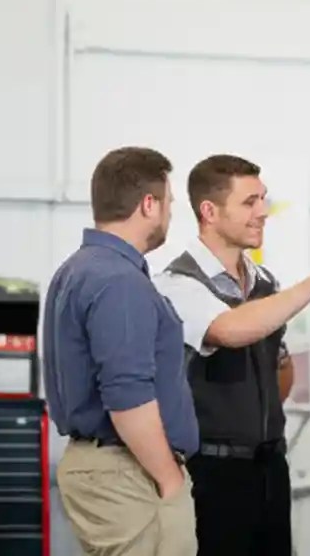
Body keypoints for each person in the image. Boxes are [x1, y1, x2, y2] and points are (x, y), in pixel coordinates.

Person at [152, 153, 310, 556]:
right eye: (249, 202)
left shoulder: (264, 283)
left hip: (269, 469)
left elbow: (279, 367)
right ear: (209, 211)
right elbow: (228, 329)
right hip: (211, 474)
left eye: (263, 199)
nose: (263, 212)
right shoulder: (176, 284)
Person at [42, 146, 199, 556]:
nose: (169, 214)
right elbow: (127, 394)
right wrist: (170, 479)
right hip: (129, 470)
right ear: (149, 204)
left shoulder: (78, 269)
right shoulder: (119, 281)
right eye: (168, 204)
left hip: (106, 466)